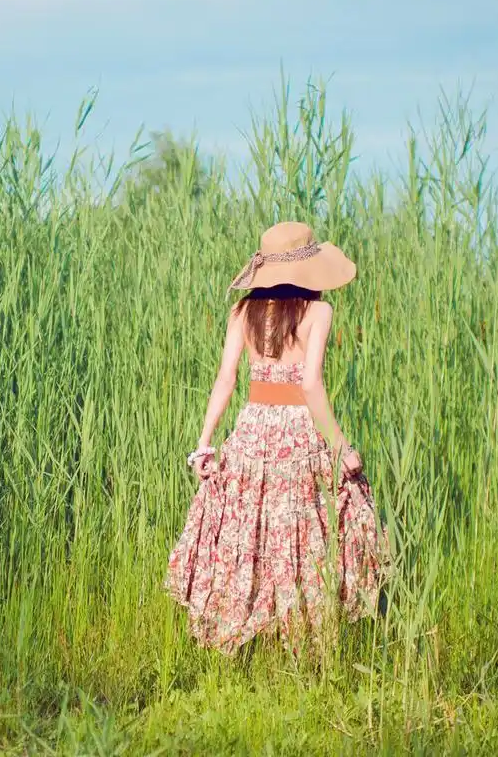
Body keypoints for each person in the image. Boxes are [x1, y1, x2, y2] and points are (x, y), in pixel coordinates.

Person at [164, 221, 391, 656]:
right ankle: (304, 636)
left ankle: (246, 627)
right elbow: (310, 385)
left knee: (250, 530)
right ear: (309, 269)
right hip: (297, 435)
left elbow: (226, 379)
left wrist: (205, 443)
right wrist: (341, 446)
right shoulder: (318, 313)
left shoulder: (243, 311)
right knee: (304, 531)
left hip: (251, 430)